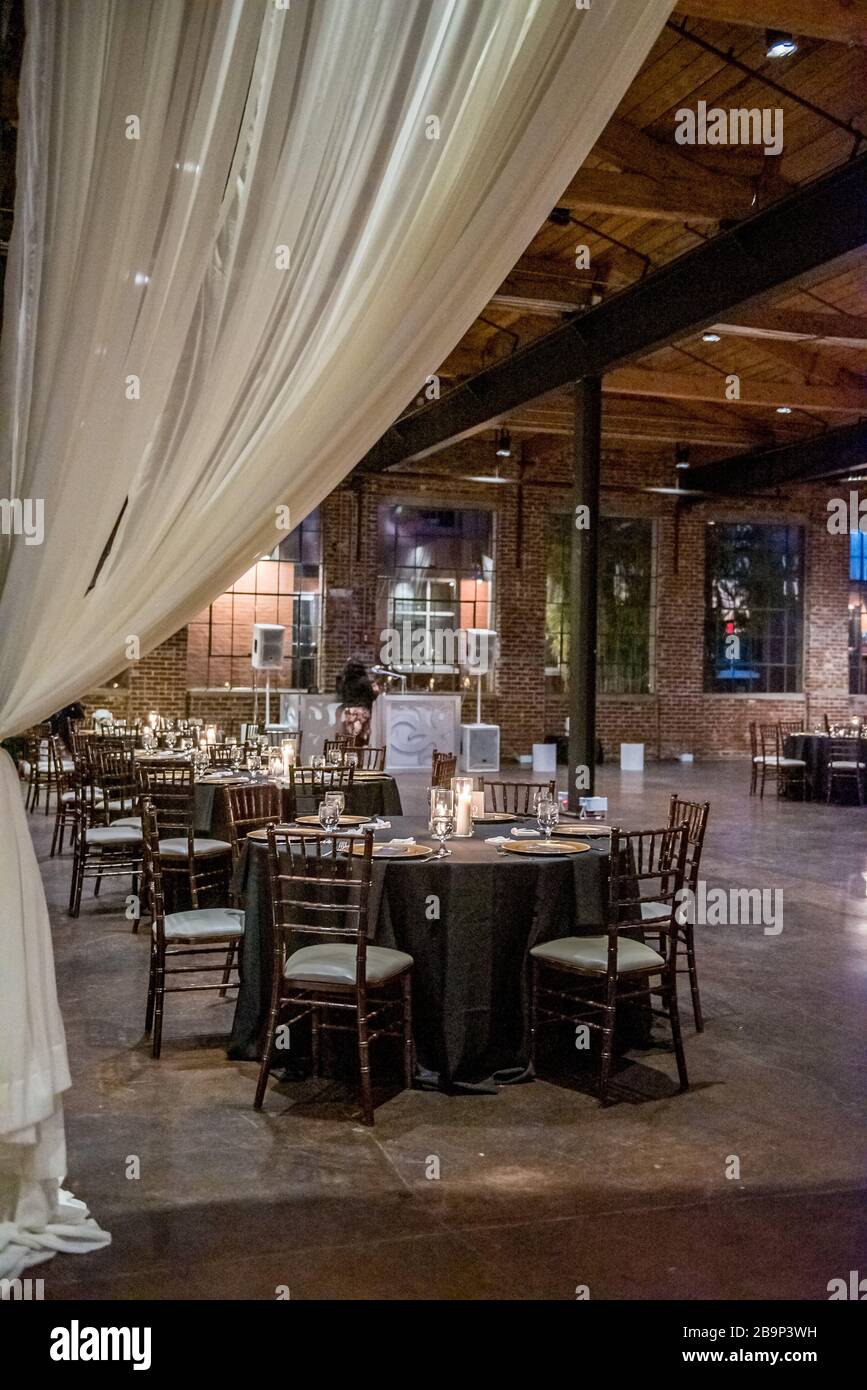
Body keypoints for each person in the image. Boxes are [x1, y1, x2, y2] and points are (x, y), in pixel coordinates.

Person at [335, 659, 379, 746]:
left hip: (348, 712)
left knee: (349, 739)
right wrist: (376, 691)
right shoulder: (364, 681)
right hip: (362, 712)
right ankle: (359, 758)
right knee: (361, 740)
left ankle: (349, 757)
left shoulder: (346, 681)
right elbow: (371, 696)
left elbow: (341, 695)